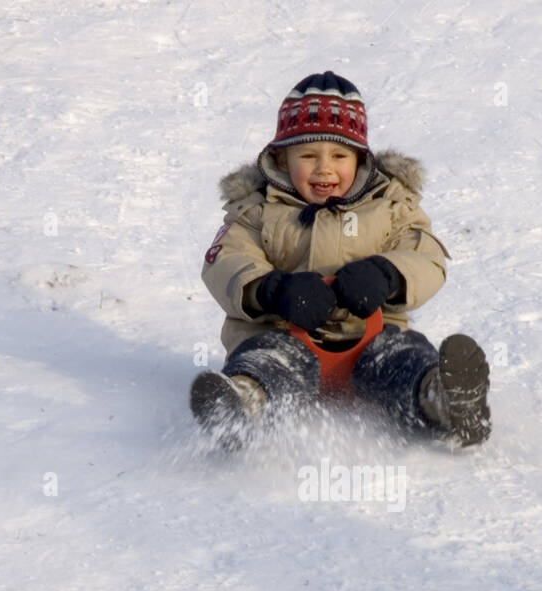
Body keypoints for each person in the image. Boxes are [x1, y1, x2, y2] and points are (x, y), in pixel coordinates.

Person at [194, 71, 491, 450]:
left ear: (360, 158)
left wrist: (388, 274)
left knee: (402, 359)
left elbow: (427, 256)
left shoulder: (390, 205)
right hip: (285, 336)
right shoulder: (256, 209)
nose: (325, 169)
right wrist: (272, 289)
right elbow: (225, 261)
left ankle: (442, 400)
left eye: (339, 155)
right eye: (307, 155)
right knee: (268, 360)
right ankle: (245, 401)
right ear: (282, 159)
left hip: (372, 339)